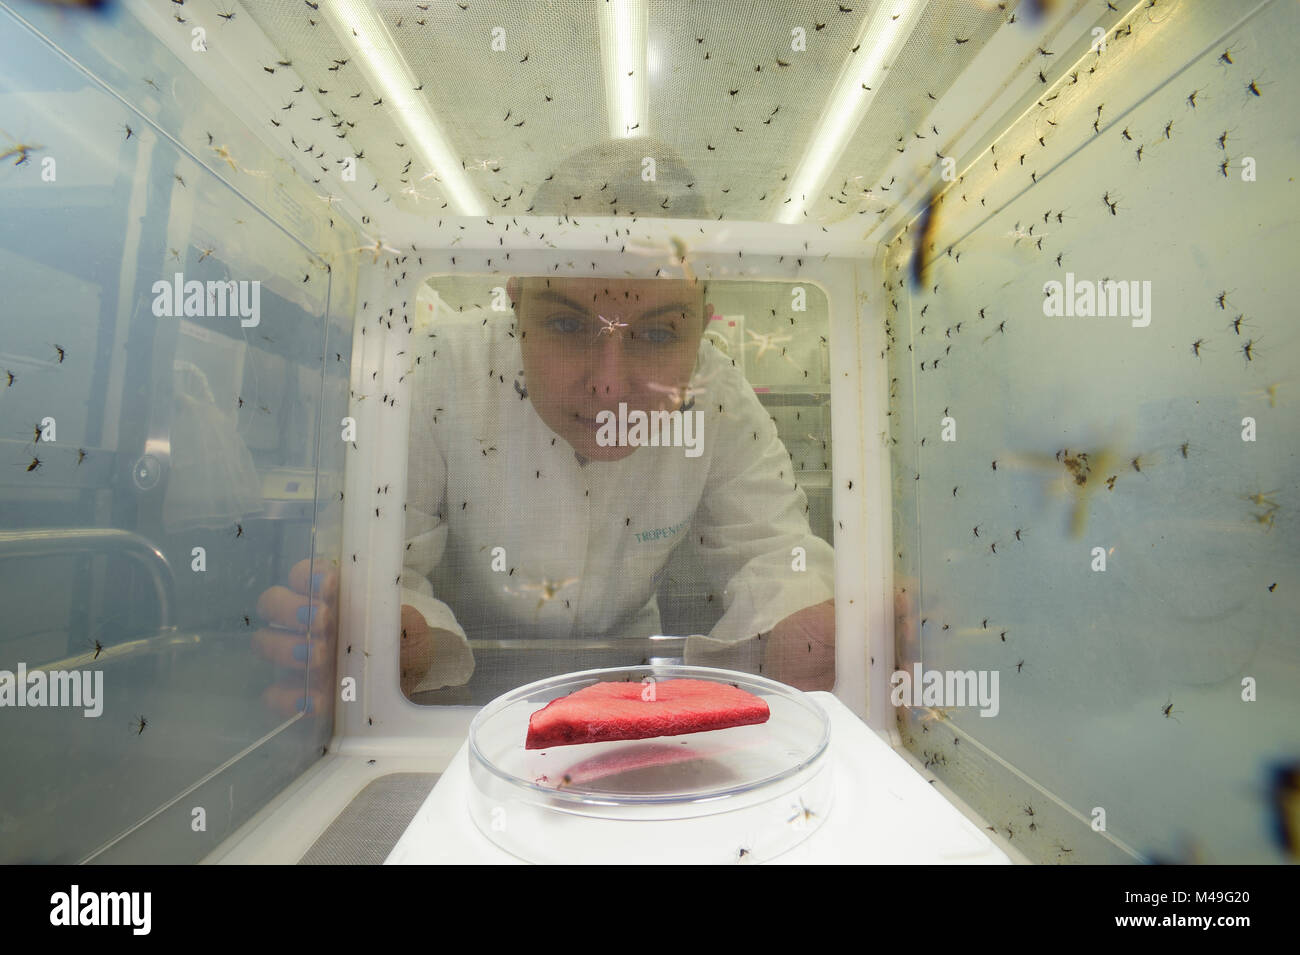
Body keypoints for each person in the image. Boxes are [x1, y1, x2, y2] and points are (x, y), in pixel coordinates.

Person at [399, 272, 836, 694]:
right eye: (566, 325)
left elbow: (772, 550)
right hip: (459, 682)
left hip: (633, 681)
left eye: (660, 334)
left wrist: (794, 623)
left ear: (702, 327)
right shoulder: (443, 365)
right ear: (517, 308)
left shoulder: (716, 395)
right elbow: (389, 562)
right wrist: (401, 628)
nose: (609, 388)